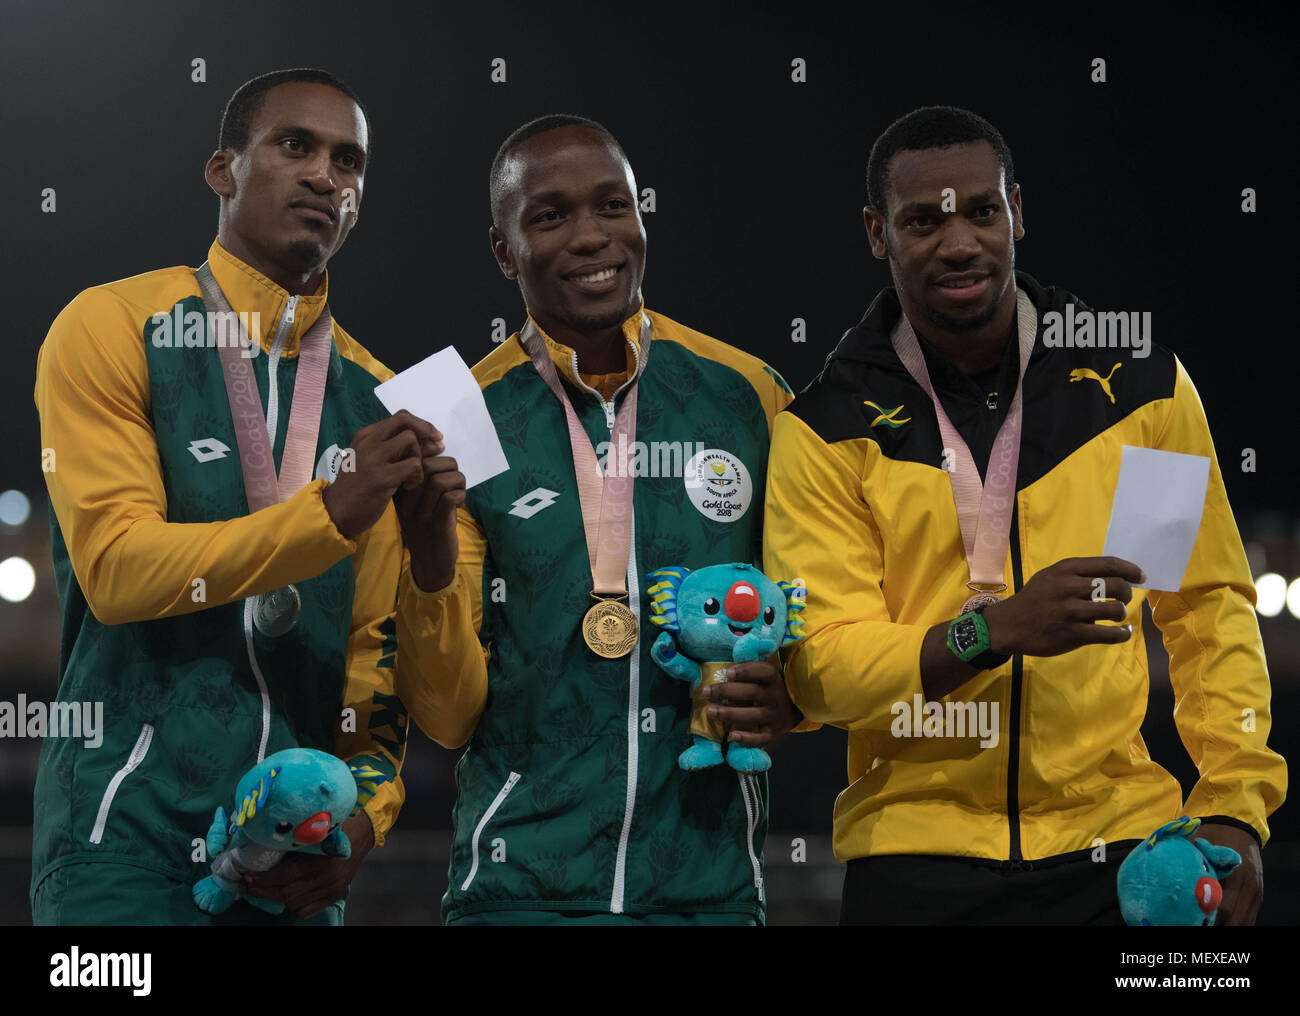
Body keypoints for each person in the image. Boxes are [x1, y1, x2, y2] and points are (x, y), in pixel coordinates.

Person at [763, 105, 1287, 925]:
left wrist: (1235, 802)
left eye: (982, 210)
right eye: (923, 221)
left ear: (1018, 211)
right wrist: (993, 631)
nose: (960, 241)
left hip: (1118, 853)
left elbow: (1204, 610)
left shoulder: (1133, 388)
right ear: (877, 232)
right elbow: (820, 671)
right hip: (913, 863)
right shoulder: (828, 426)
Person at [31, 68, 432, 924]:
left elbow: (375, 662)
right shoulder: (111, 324)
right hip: (118, 843)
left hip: (294, 865)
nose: (327, 177)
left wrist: (361, 828)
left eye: (350, 162)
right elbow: (115, 569)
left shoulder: (386, 401)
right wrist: (326, 513)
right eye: (296, 146)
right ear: (223, 170)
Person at [393, 115, 806, 925]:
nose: (592, 237)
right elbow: (446, 716)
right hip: (515, 894)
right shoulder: (458, 414)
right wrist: (430, 555)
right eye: (550, 216)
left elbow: (810, 608)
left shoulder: (745, 396)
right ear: (504, 249)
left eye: (613, 206)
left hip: (711, 889)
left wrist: (795, 699)